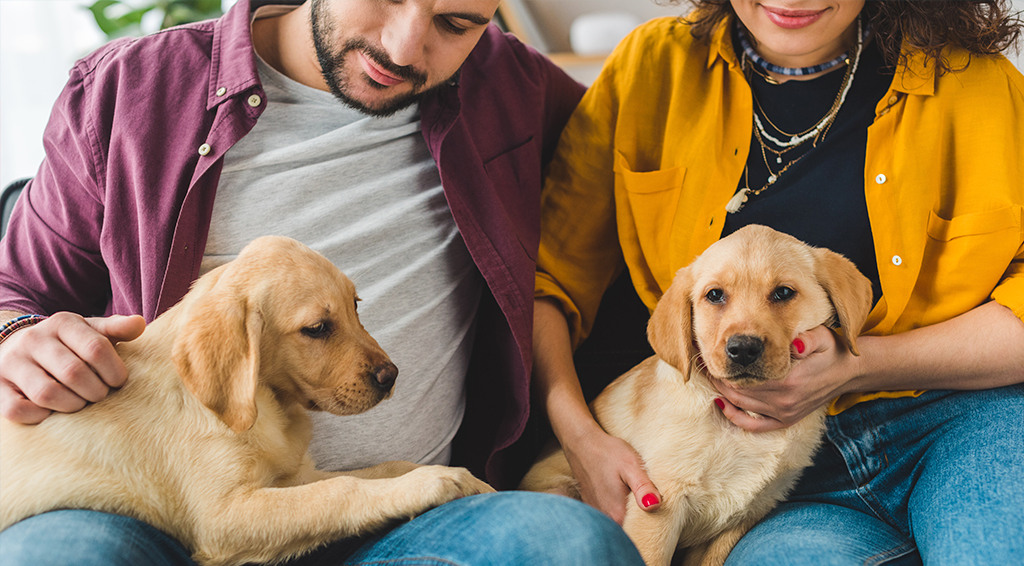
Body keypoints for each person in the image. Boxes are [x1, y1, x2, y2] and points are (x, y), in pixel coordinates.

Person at [0, 1, 647, 565]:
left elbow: (665, 188)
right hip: (157, 514)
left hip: (408, 519)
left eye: (455, 23)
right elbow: (13, 287)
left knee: (569, 546)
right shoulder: (128, 89)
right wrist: (17, 334)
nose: (404, 47)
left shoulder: (512, 87)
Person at [532, 0, 1024, 563]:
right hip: (774, 479)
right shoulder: (653, 70)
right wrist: (581, 442)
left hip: (959, 422)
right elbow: (546, 284)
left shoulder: (981, 84)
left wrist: (860, 365)